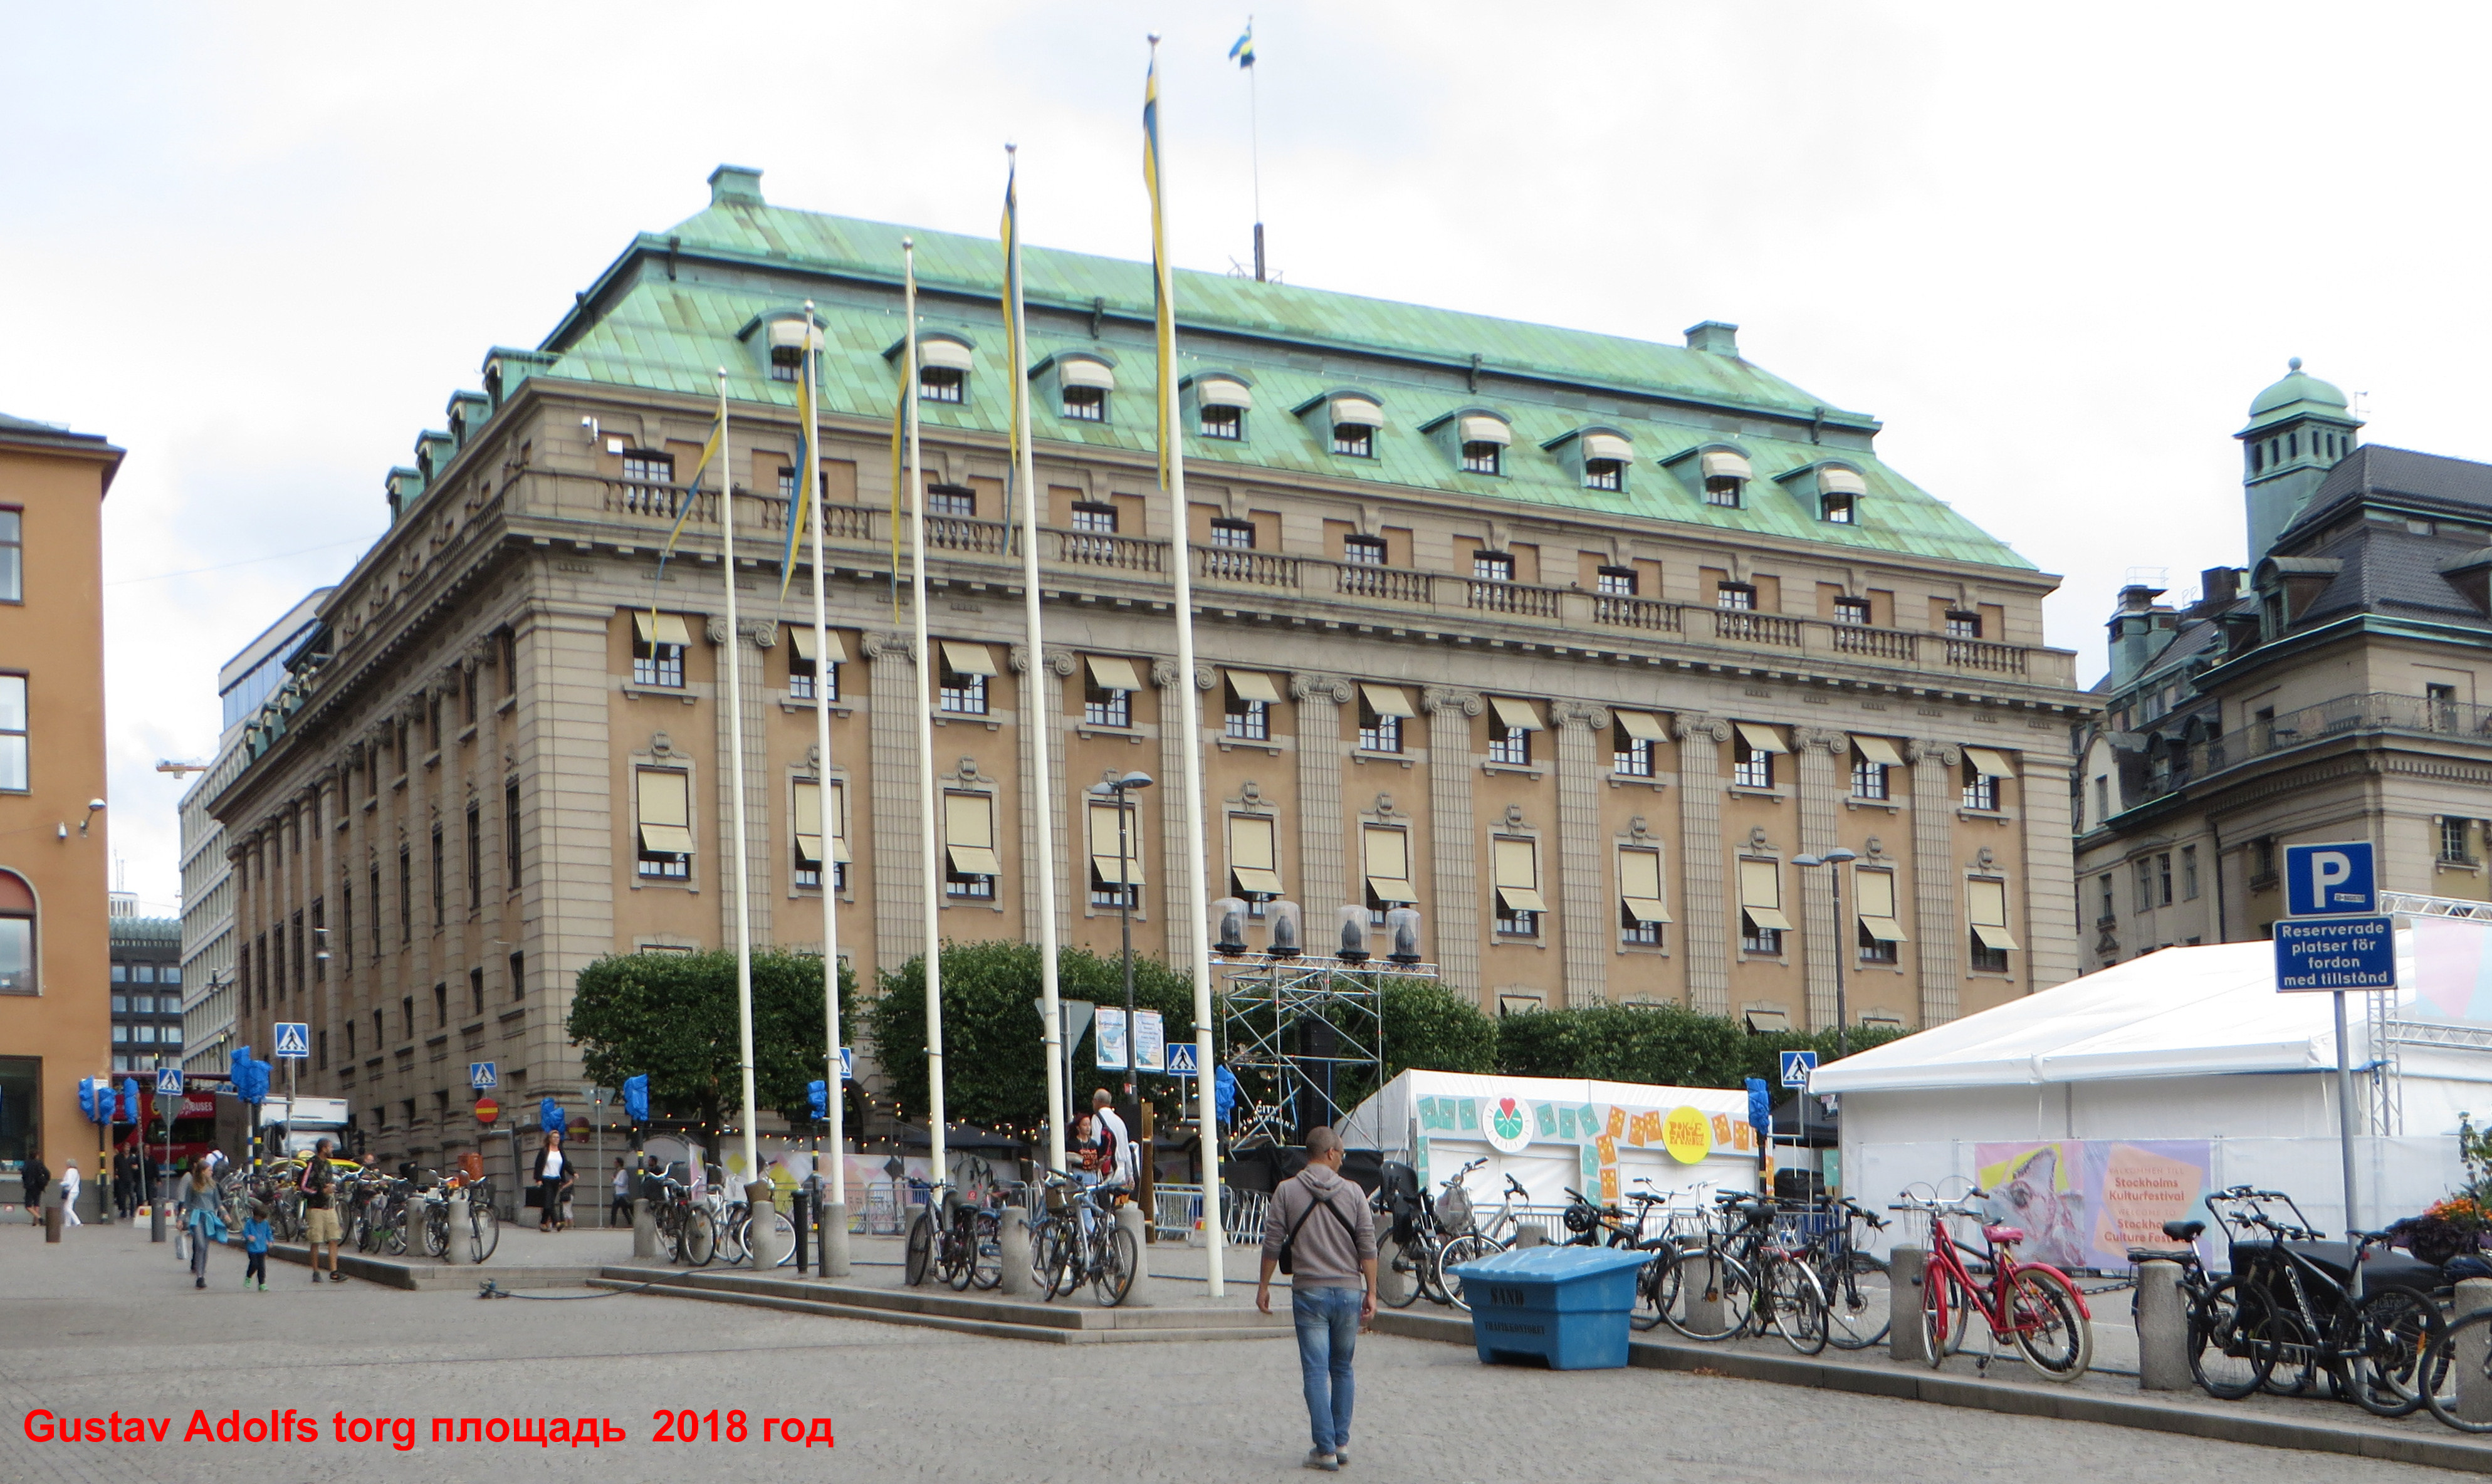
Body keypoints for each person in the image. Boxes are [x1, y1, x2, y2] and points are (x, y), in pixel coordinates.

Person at [1257, 1127, 1377, 1472]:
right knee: (1342, 1368)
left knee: (1315, 1370)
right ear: (1328, 1153)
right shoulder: (1354, 1193)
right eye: (1341, 1153)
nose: (1342, 1159)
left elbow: (1272, 1243)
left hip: (1309, 1291)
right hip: (1348, 1291)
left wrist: (1263, 1286)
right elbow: (1367, 1246)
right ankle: (1341, 1443)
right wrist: (1371, 1291)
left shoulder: (1286, 1191)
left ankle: (1323, 1449)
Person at [300, 1137, 344, 1282]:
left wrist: (332, 1188)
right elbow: (303, 1186)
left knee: (334, 1238)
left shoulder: (329, 1164)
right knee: (316, 1240)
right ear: (324, 1149)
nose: (332, 1150)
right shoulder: (312, 1163)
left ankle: (334, 1271)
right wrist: (320, 1192)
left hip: (329, 1206)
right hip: (316, 1207)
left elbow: (329, 1182)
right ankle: (316, 1271)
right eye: (330, 1147)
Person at [182, 1164, 223, 1289]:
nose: (211, 1172)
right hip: (197, 1216)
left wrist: (225, 1215)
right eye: (209, 1170)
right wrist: (181, 1218)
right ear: (202, 1172)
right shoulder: (192, 1186)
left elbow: (218, 1203)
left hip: (209, 1217)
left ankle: (201, 1275)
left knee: (205, 1247)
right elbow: (186, 1204)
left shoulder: (213, 1185)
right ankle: (199, 1275)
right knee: (200, 1244)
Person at [1091, 1089, 1136, 1190]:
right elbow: (1126, 1150)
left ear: (1098, 1101)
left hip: (1108, 1169)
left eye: (1094, 1101)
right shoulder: (1120, 1121)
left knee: (1103, 1203)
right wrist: (1130, 1174)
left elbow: (1096, 1143)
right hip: (1122, 1170)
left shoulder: (1097, 1118)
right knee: (1117, 1203)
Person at [533, 1130, 568, 1233]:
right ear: (550, 1139)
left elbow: (565, 1163)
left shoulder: (560, 1151)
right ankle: (557, 1222)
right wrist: (538, 1179)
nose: (556, 1139)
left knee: (549, 1202)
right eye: (554, 1137)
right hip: (546, 1178)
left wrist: (573, 1172)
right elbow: (538, 1165)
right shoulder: (544, 1151)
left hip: (556, 1179)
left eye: (558, 1137)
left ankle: (543, 1223)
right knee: (550, 1201)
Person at [241, 1199, 272, 1291]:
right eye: (258, 1219)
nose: (260, 1221)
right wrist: (248, 1236)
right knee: (254, 1264)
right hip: (252, 1248)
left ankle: (262, 1283)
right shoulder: (249, 1223)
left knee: (262, 1267)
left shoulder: (265, 1224)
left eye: (262, 1219)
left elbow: (268, 1233)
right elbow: (245, 1232)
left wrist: (270, 1241)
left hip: (262, 1248)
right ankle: (249, 1276)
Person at [19, 1151, 47, 1225]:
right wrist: (44, 1181)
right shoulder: (39, 1163)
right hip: (39, 1186)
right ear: (37, 1156)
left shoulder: (27, 1163)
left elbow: (24, 1173)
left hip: (30, 1186)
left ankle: (39, 1218)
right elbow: (47, 1173)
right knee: (36, 1203)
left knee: (28, 1206)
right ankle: (36, 1222)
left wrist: (25, 1181)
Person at [58, 1161, 81, 1227]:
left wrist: (61, 1183)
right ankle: (67, 1223)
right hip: (76, 1191)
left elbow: (68, 1182)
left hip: (70, 1191)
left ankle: (78, 1222)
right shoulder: (77, 1172)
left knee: (68, 1208)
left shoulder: (69, 1171)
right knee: (67, 1207)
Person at [611, 1158, 631, 1228]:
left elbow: (623, 1183)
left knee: (624, 1210)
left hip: (622, 1194)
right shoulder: (617, 1172)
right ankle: (613, 1224)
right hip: (618, 1194)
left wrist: (615, 1180)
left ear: (619, 1163)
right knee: (615, 1210)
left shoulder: (623, 1172)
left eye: (616, 1162)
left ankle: (630, 1223)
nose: (614, 1164)